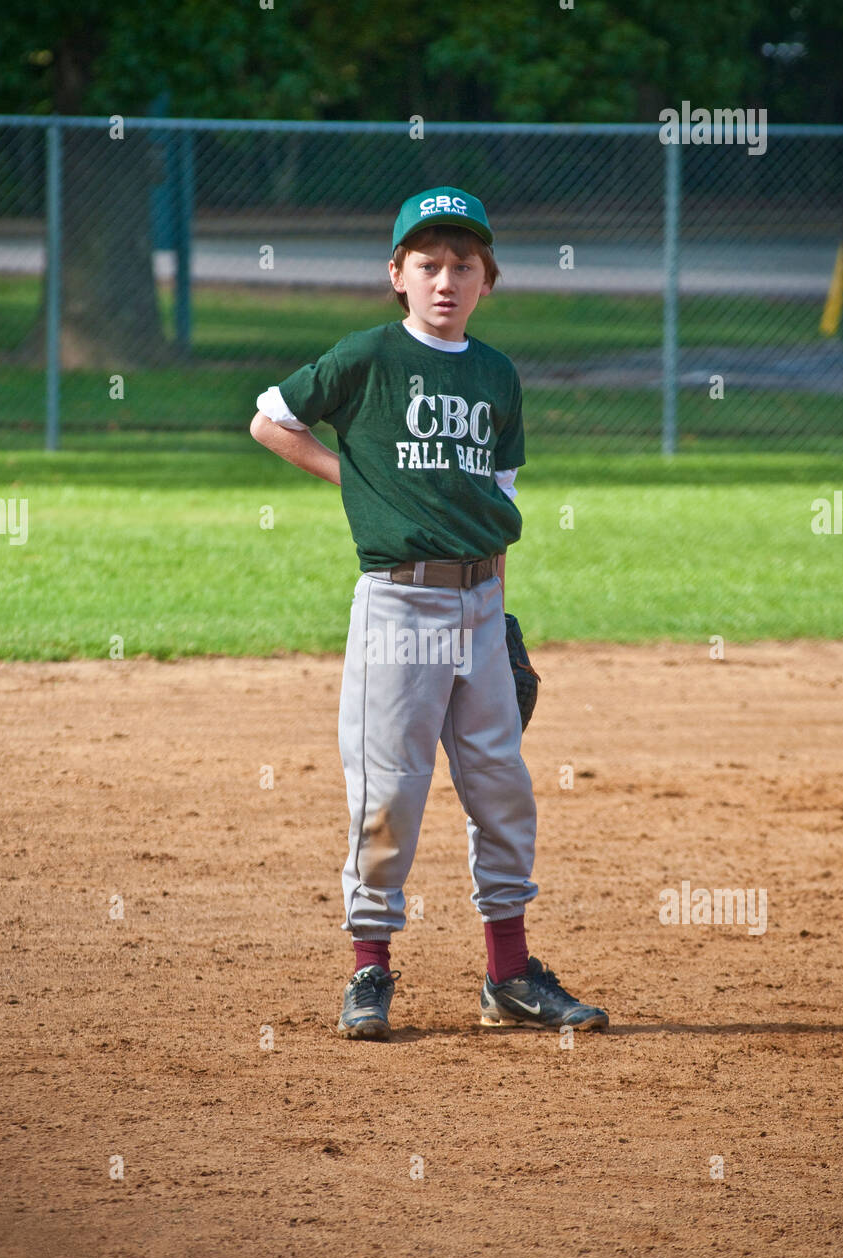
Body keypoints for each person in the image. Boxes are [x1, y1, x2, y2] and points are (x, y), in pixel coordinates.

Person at [250, 186, 608, 1041]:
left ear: (487, 279)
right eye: (427, 264)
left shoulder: (493, 374)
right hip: (398, 602)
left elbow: (497, 503)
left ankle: (508, 975)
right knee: (389, 791)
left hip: (481, 603)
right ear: (397, 276)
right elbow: (271, 420)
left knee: (502, 787)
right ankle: (369, 973)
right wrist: (361, 483)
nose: (445, 280)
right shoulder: (369, 356)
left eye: (463, 265)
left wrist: (506, 623)